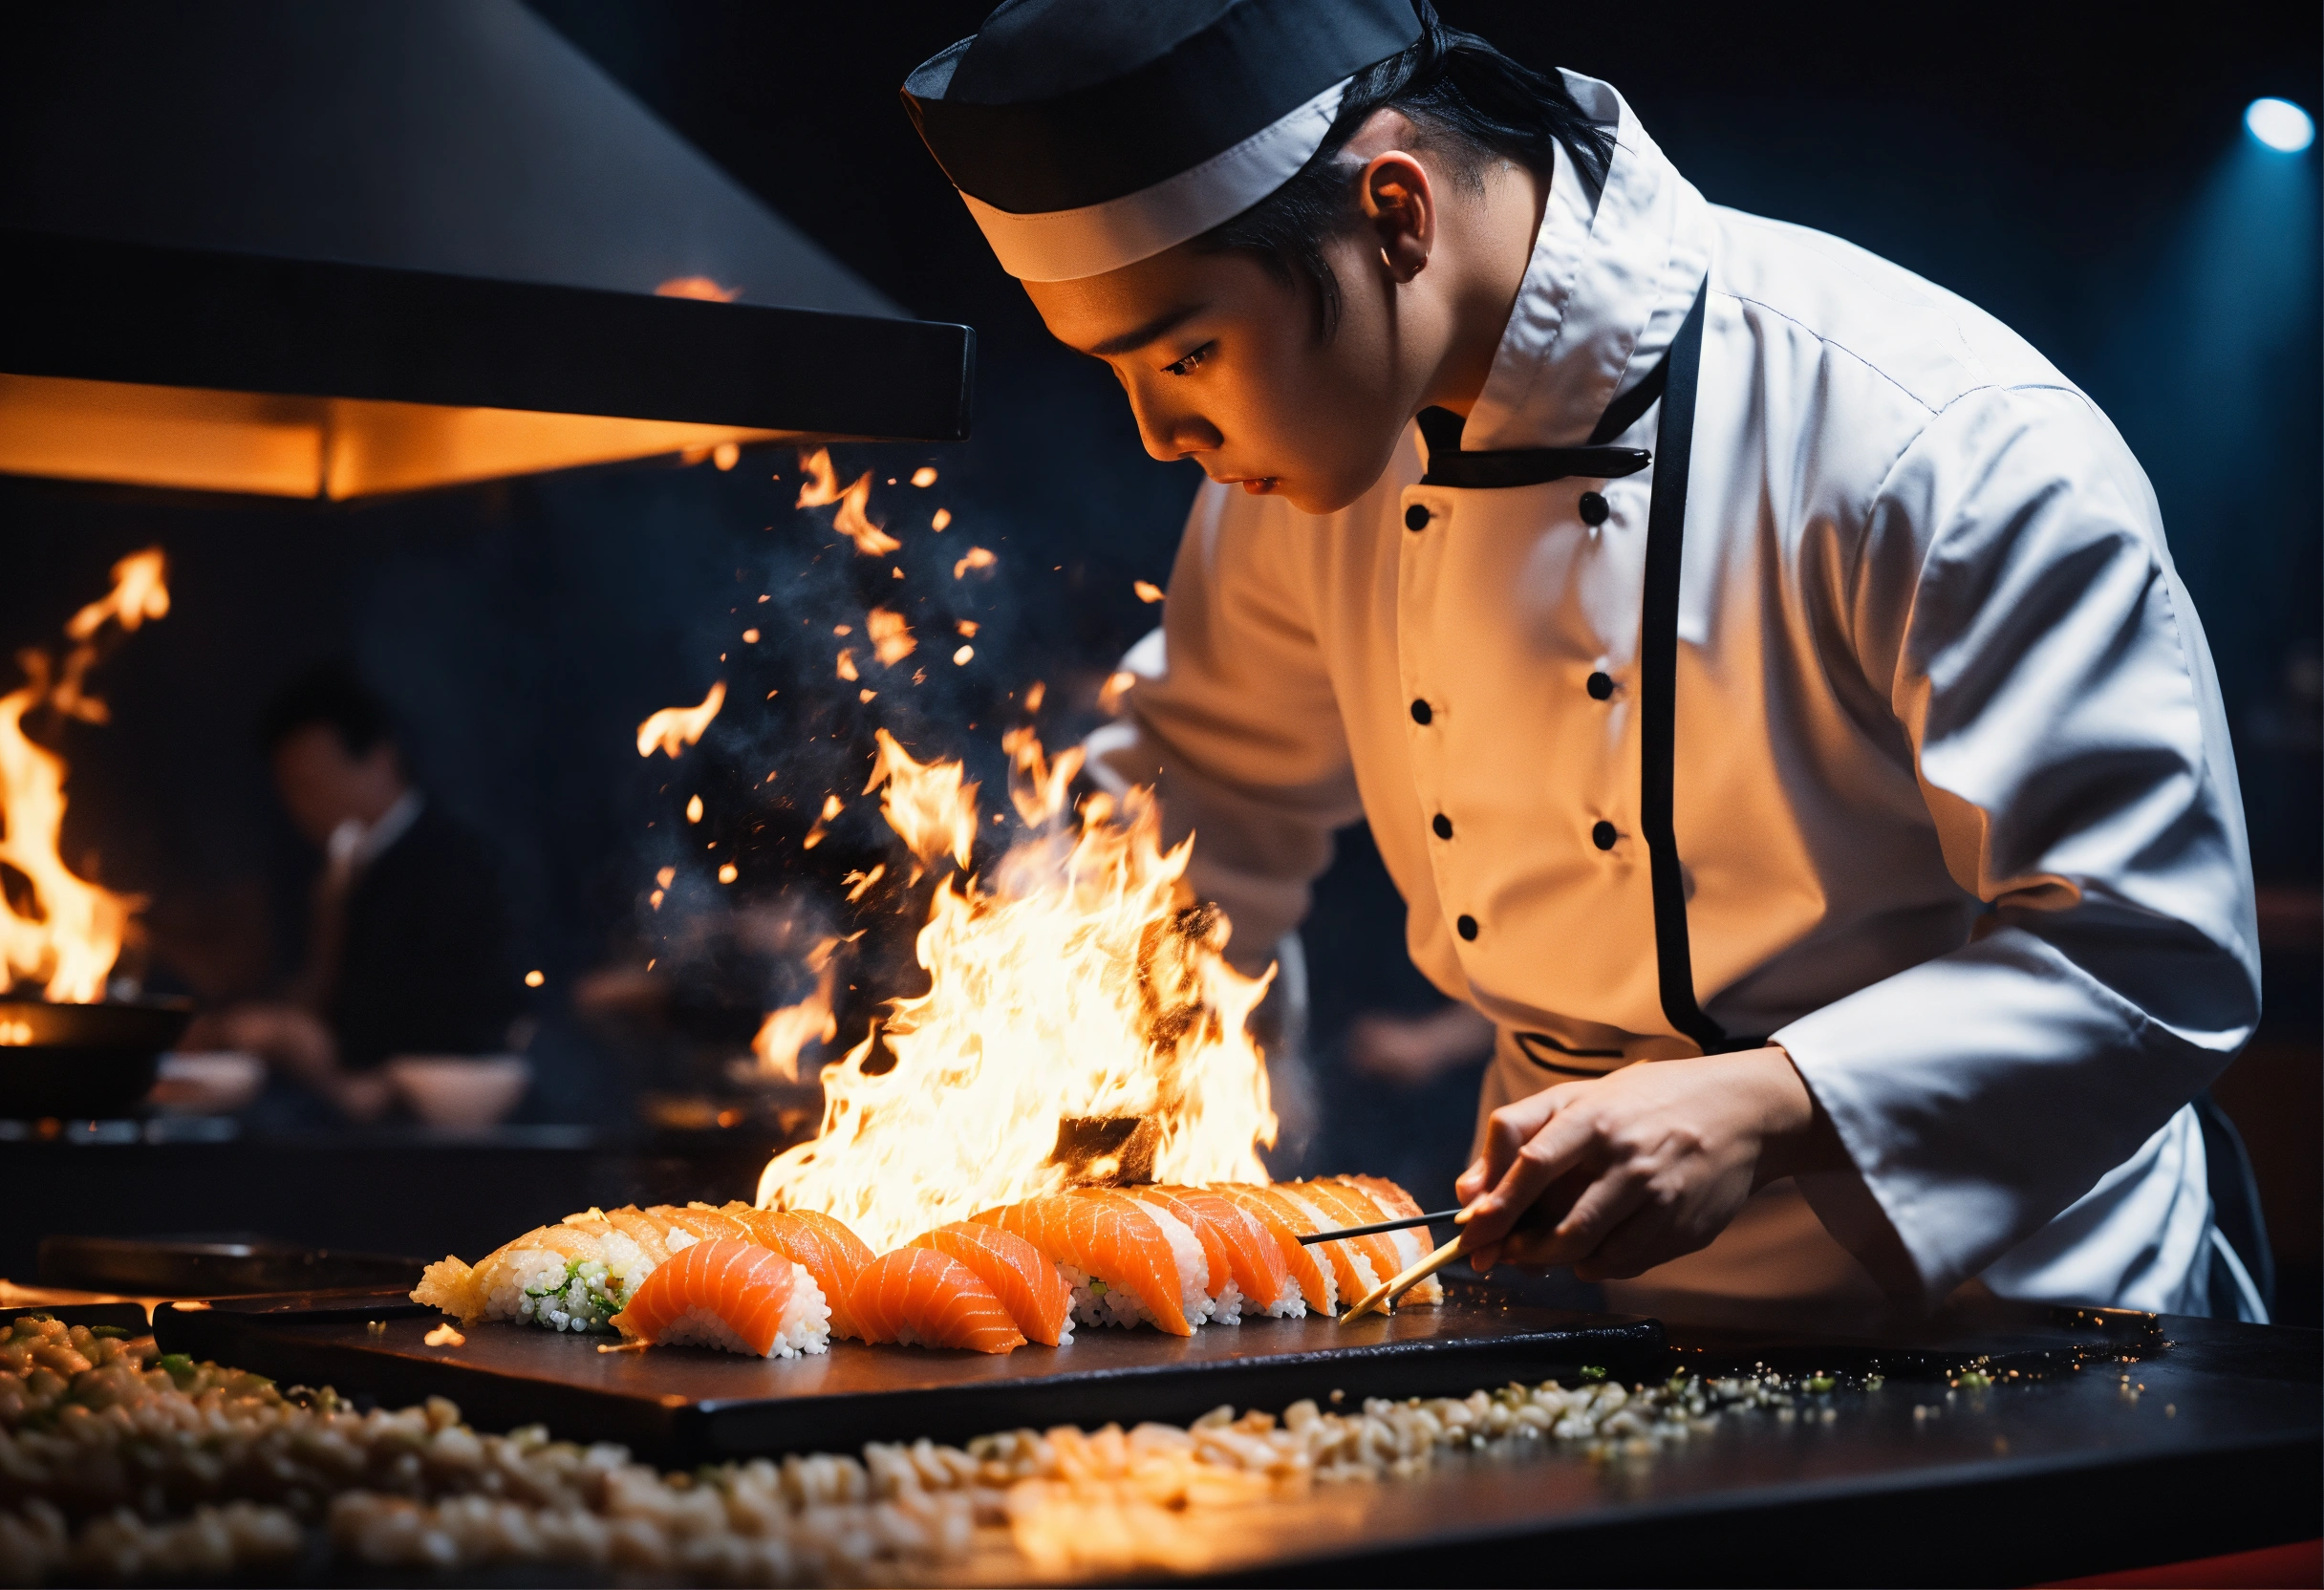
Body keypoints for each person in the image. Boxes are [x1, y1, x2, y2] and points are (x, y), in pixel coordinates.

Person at [898, 0, 2260, 1323]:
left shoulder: (1926, 440)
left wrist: (1767, 1102)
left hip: (2013, 1318)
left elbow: (2155, 952)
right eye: (1116, 376)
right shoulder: (1308, 466)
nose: (1155, 434)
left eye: (1186, 354)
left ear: (1394, 214)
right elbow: (1193, 807)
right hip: (1572, 1298)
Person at [185, 663, 523, 1121]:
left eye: (313, 779)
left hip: (437, 1126)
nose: (302, 803)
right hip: (348, 1120)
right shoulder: (335, 869)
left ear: (380, 759)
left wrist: (306, 1043)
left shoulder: (456, 862)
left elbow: (464, 1021)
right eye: (289, 787)